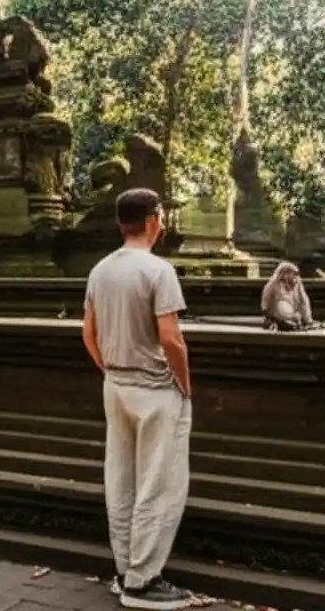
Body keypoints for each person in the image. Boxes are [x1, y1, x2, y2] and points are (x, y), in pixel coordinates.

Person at [82, 187, 194, 611]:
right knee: (158, 484)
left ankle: (125, 568)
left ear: (119, 223)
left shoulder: (100, 270)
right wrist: (184, 384)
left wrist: (110, 369)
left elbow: (88, 334)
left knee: (122, 480)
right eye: (160, 216)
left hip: (116, 386)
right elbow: (171, 339)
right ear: (152, 220)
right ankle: (143, 581)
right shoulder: (157, 270)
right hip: (155, 390)